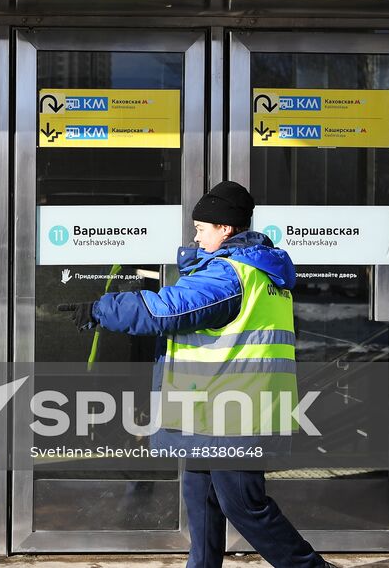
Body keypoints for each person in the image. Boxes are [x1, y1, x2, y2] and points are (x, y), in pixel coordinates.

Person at [59, 181, 334, 568]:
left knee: (244, 506)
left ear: (226, 229)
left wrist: (101, 309)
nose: (195, 234)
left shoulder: (230, 274)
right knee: (202, 502)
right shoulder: (256, 273)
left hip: (234, 412)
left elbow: (167, 309)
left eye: (202, 227)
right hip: (215, 404)